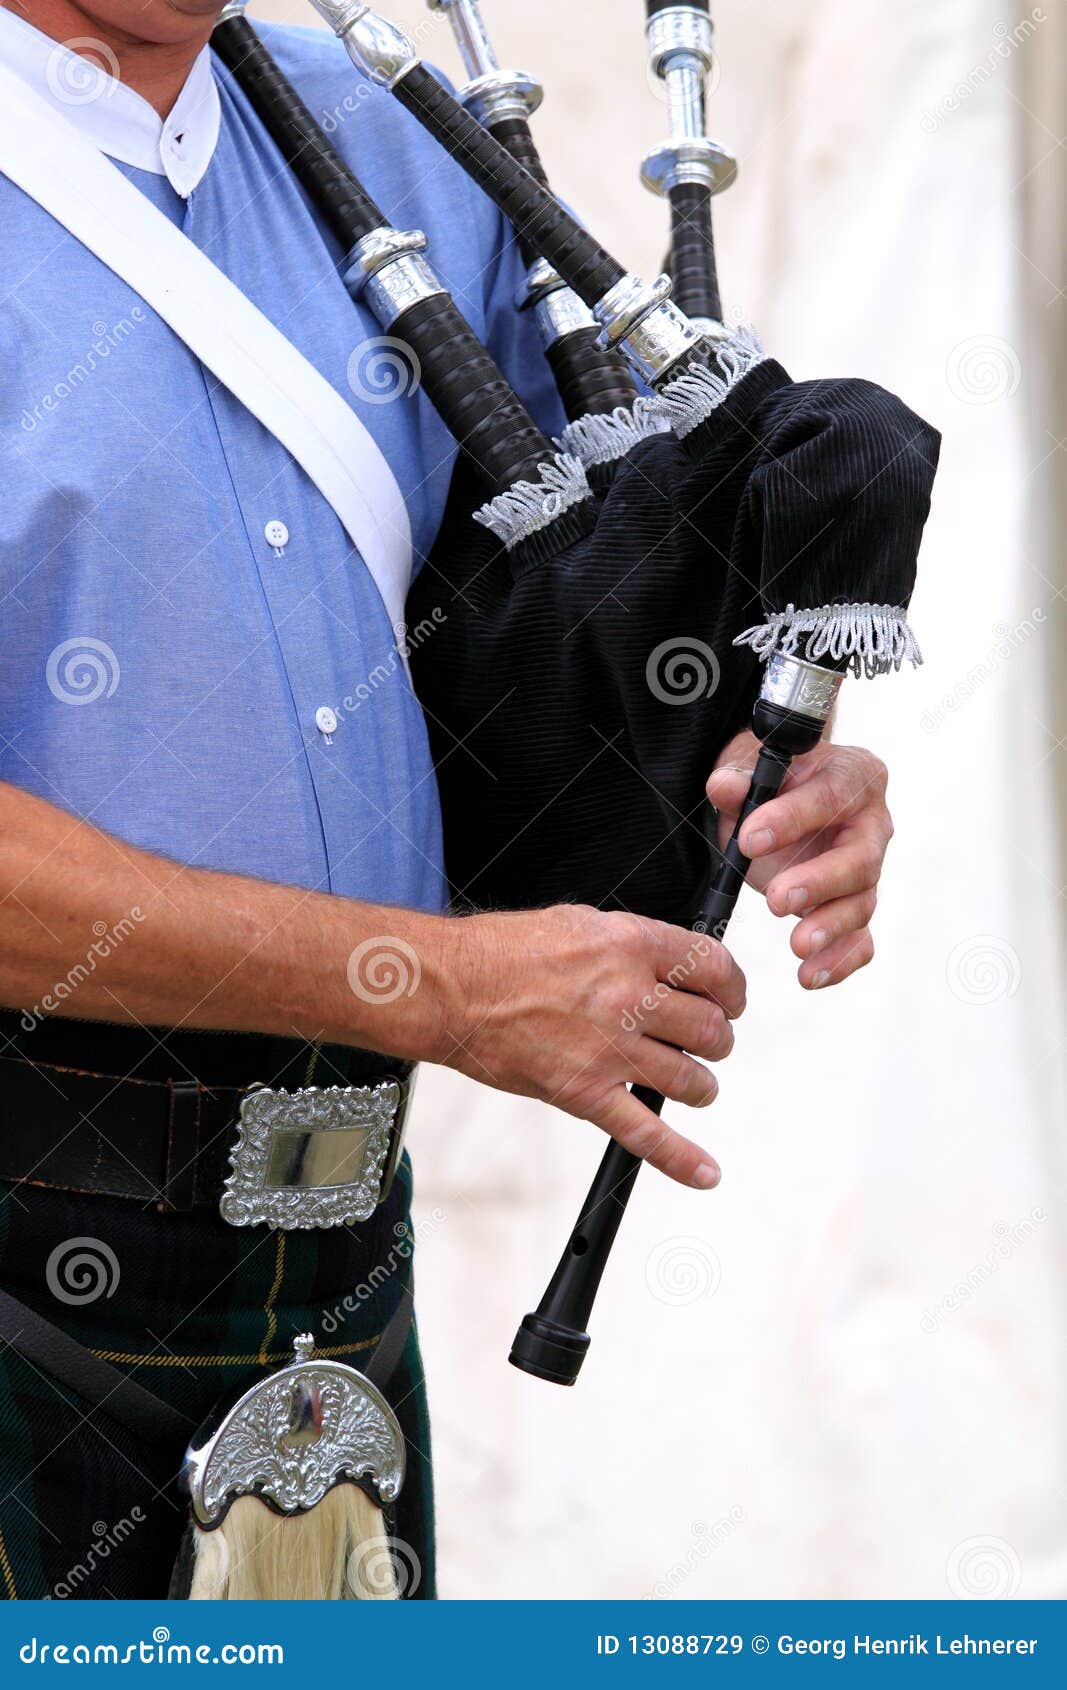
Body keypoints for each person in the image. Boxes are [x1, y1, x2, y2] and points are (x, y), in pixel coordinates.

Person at [0, 0, 895, 1599]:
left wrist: (752, 755)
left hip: (337, 1262)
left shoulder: (391, 131)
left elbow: (558, 638)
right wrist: (440, 984)